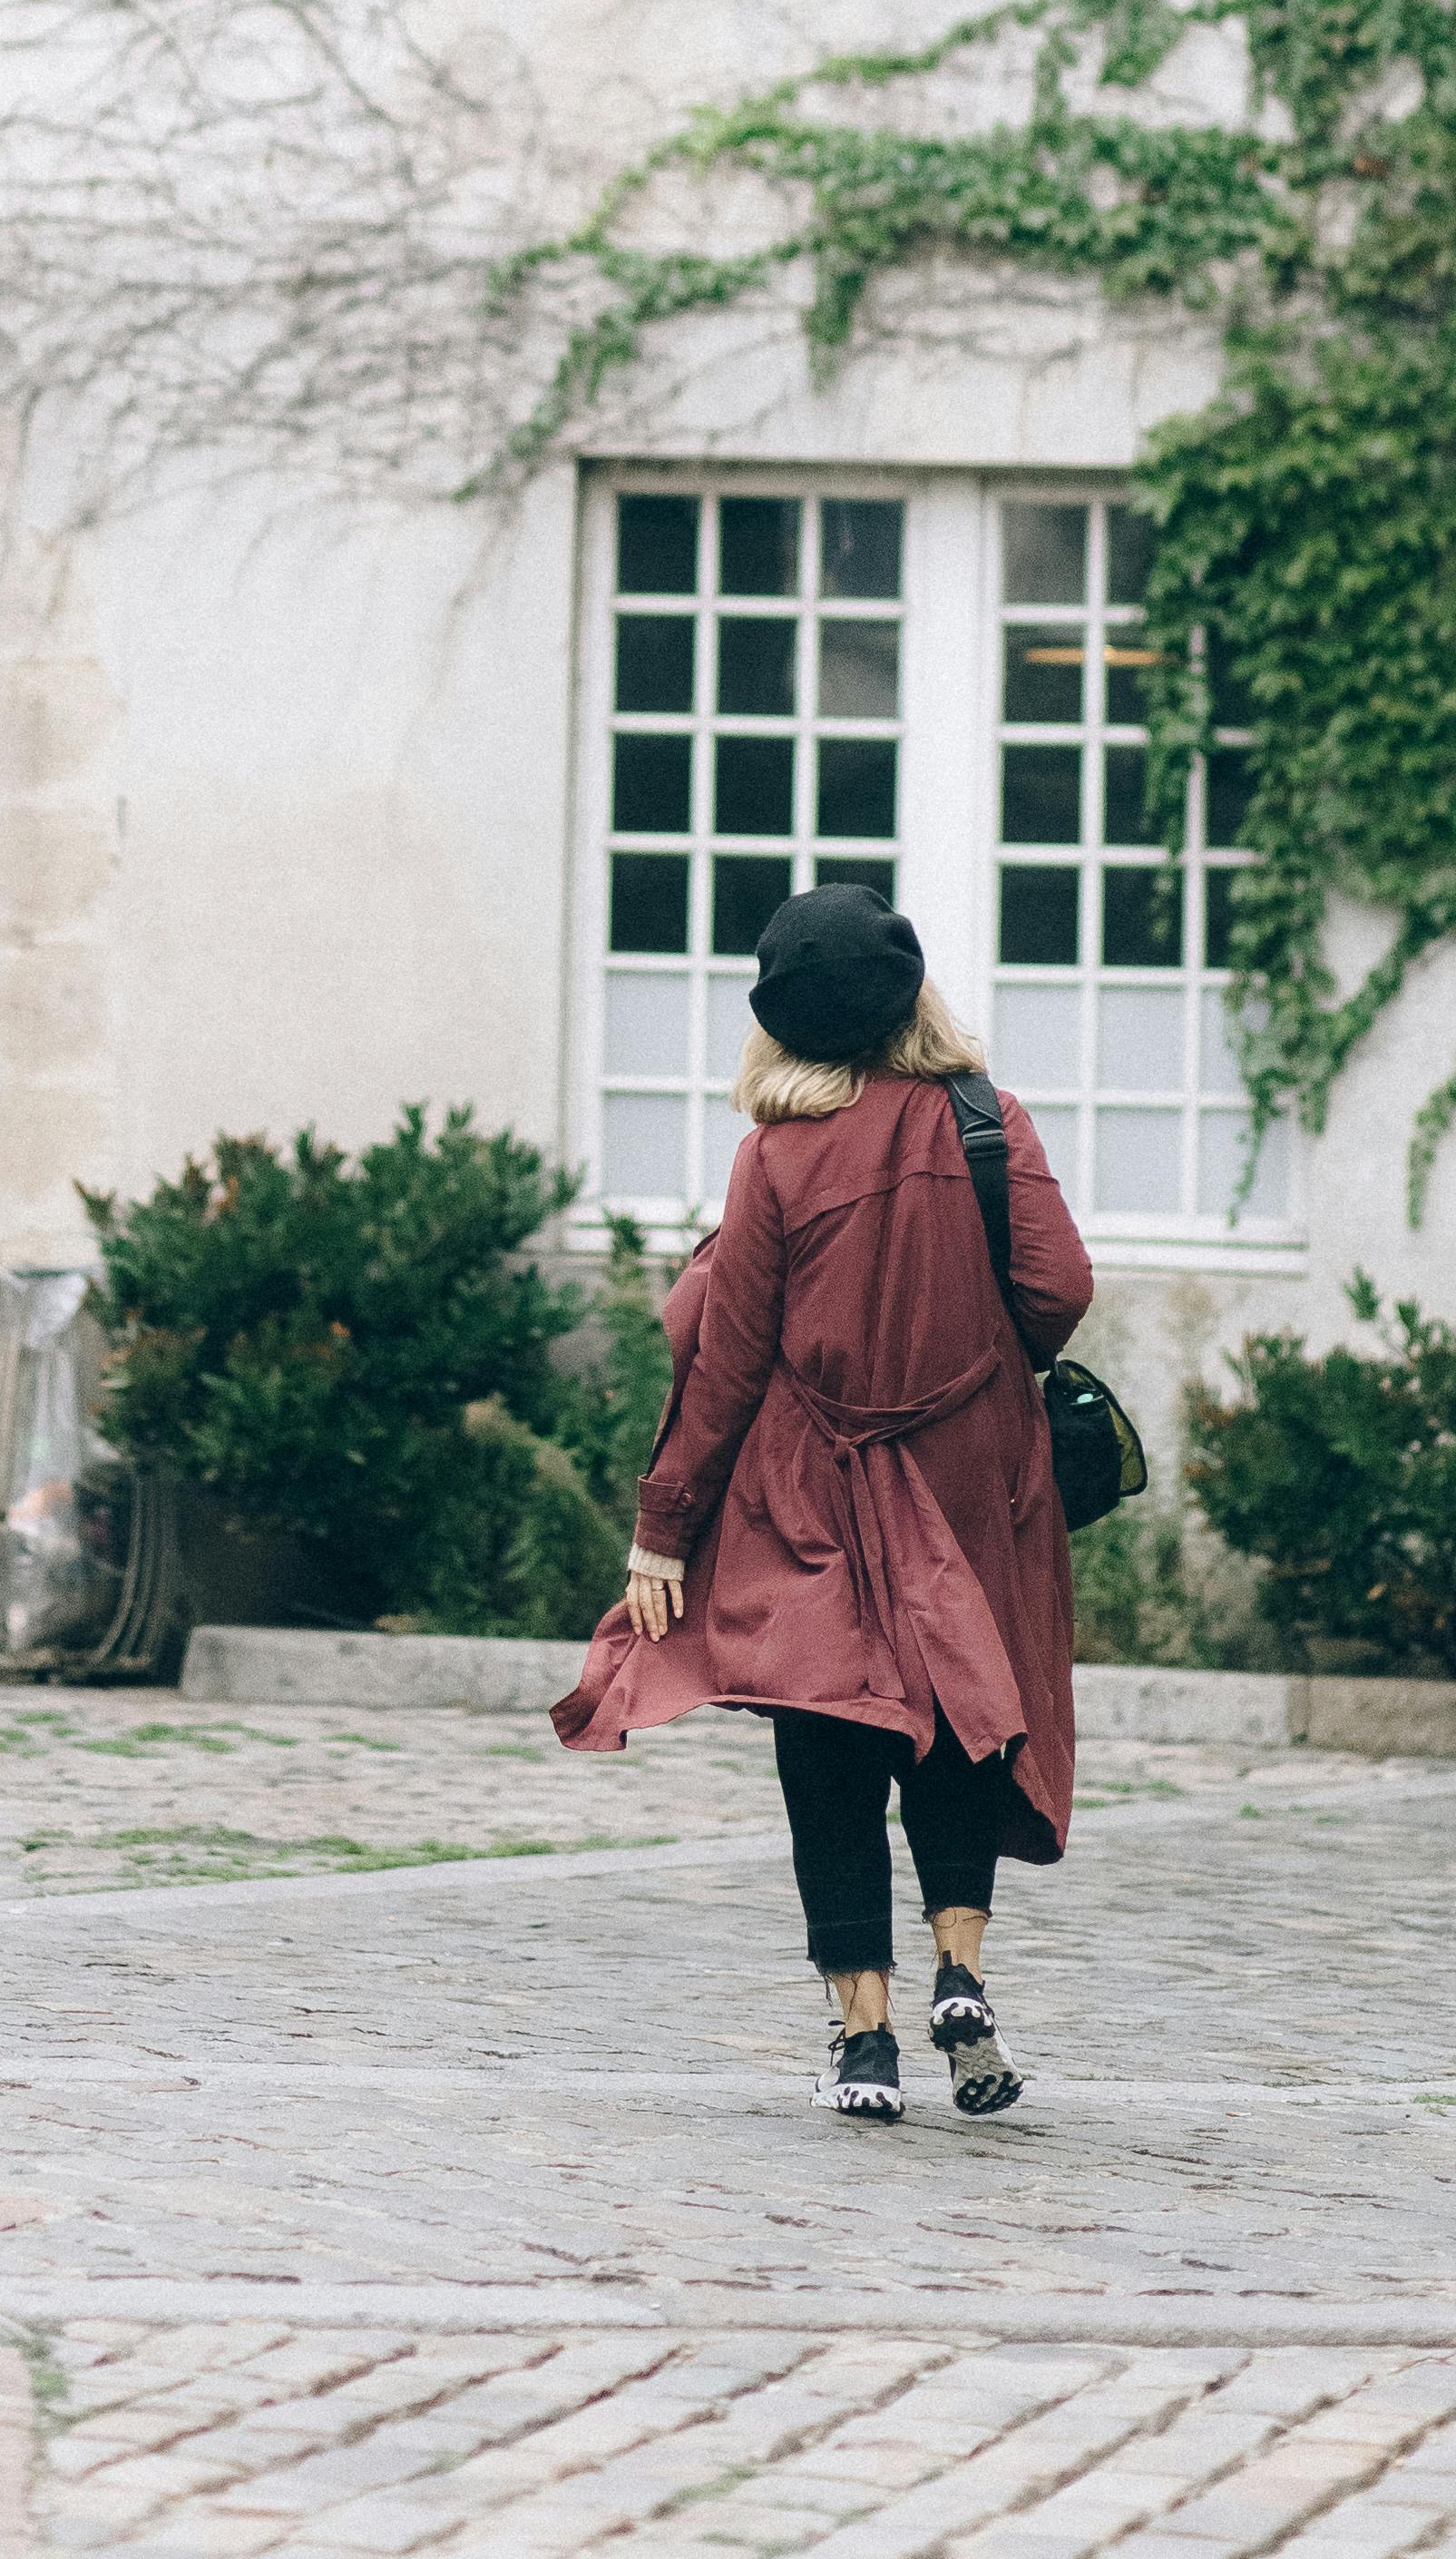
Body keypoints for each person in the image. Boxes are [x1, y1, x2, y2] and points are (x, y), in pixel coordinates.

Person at [552, 878, 1096, 2123]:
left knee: (829, 1737)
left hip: (814, 1488)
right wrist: (978, 1360)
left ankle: (864, 2039)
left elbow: (728, 1359)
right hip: (967, 1473)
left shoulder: (776, 1157)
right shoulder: (988, 1119)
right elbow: (1060, 1285)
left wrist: (664, 1527)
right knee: (961, 1715)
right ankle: (961, 1969)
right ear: (912, 996)